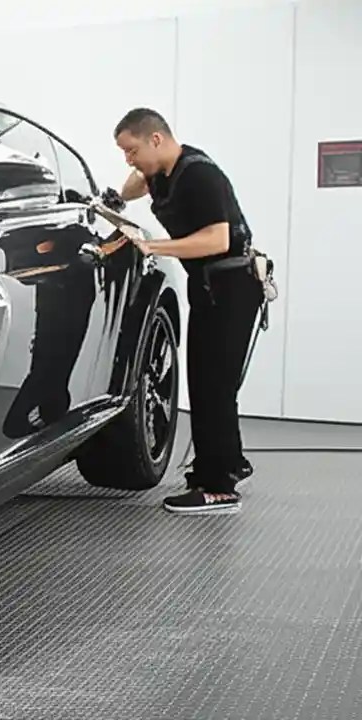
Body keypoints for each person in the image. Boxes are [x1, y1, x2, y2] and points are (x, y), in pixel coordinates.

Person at [112, 108, 264, 515]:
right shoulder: (161, 173)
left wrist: (152, 246)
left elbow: (218, 238)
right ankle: (230, 463)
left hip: (232, 285)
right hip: (210, 285)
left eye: (131, 150)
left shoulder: (199, 175)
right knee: (206, 380)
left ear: (157, 140)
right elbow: (137, 183)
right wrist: (113, 198)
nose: (128, 159)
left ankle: (218, 489)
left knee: (213, 384)